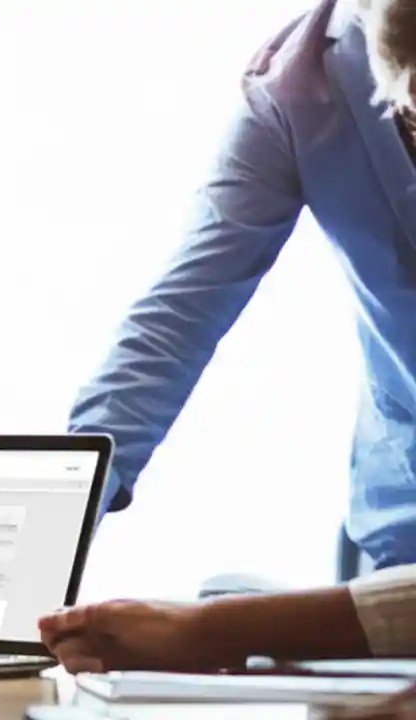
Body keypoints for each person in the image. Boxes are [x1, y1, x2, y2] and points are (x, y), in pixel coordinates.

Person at [39, 0, 416, 690]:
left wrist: (207, 631)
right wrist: (59, 510)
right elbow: (179, 311)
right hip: (400, 527)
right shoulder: (301, 84)